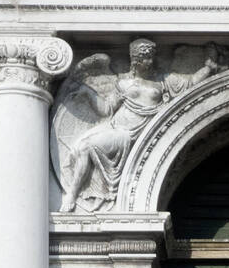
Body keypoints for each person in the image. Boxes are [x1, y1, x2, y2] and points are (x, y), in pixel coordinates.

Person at [59, 39, 218, 213]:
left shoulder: (164, 82)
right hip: (119, 131)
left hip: (137, 134)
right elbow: (106, 109)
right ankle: (72, 195)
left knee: (87, 146)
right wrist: (87, 92)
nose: (151, 62)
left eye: (151, 57)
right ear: (135, 61)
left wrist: (209, 67)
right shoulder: (123, 83)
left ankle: (73, 194)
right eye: (146, 58)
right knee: (83, 147)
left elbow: (191, 82)